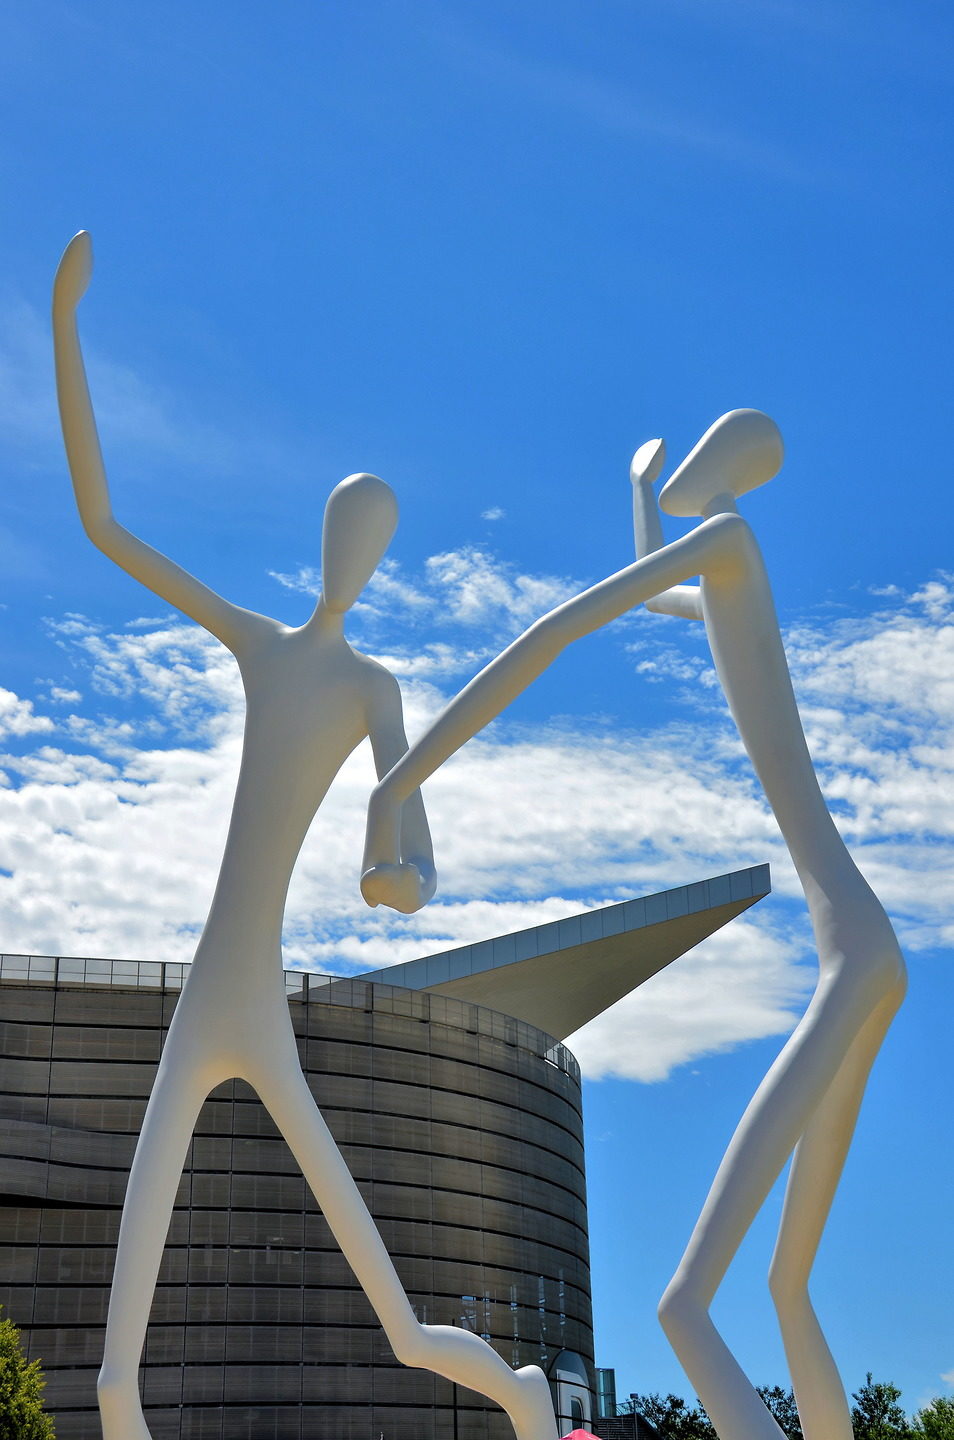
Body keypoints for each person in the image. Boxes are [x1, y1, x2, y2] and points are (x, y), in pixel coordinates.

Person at [53, 231, 559, 1440]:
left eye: (366, 541)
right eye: (338, 529)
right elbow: (103, 524)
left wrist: (402, 873)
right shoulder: (261, 645)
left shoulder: (375, 690)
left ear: (378, 565)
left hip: (257, 1007)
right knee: (120, 1363)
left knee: (394, 1327)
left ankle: (519, 1393)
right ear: (320, 540)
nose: (347, 554)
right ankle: (511, 1393)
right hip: (210, 991)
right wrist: (65, 328)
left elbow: (412, 840)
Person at [363, 410, 906, 1440]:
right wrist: (638, 505)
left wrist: (404, 775)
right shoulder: (732, 569)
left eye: (705, 453)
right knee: (790, 1287)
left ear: (732, 467)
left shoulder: (733, 541)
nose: (689, 464)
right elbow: (661, 592)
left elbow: (569, 624)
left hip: (852, 957)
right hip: (871, 947)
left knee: (683, 1302)